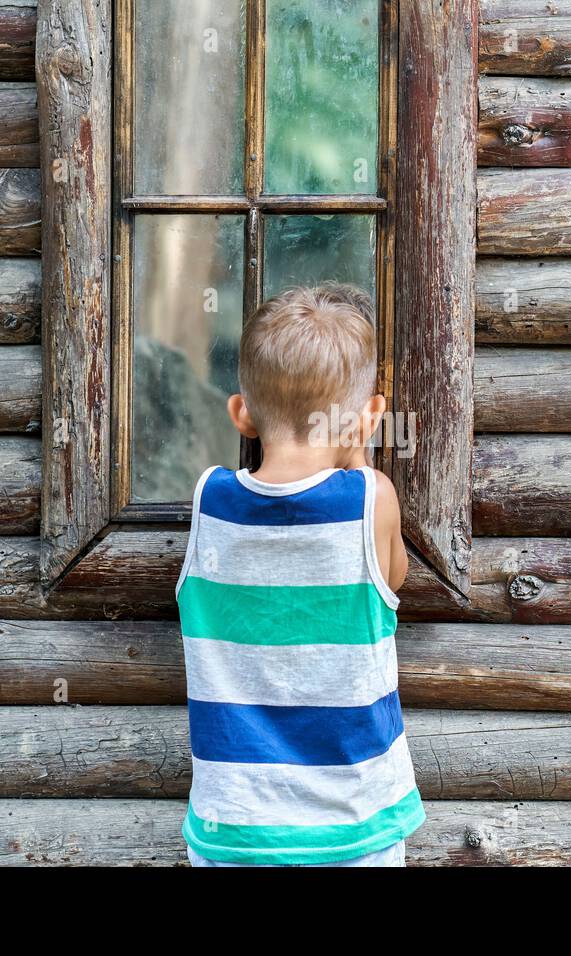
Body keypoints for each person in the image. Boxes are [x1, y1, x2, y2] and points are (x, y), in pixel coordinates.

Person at [176, 284, 422, 867]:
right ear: (370, 418)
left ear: (242, 413)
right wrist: (357, 458)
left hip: (234, 824)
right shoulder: (372, 498)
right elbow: (396, 578)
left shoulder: (209, 499)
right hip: (355, 824)